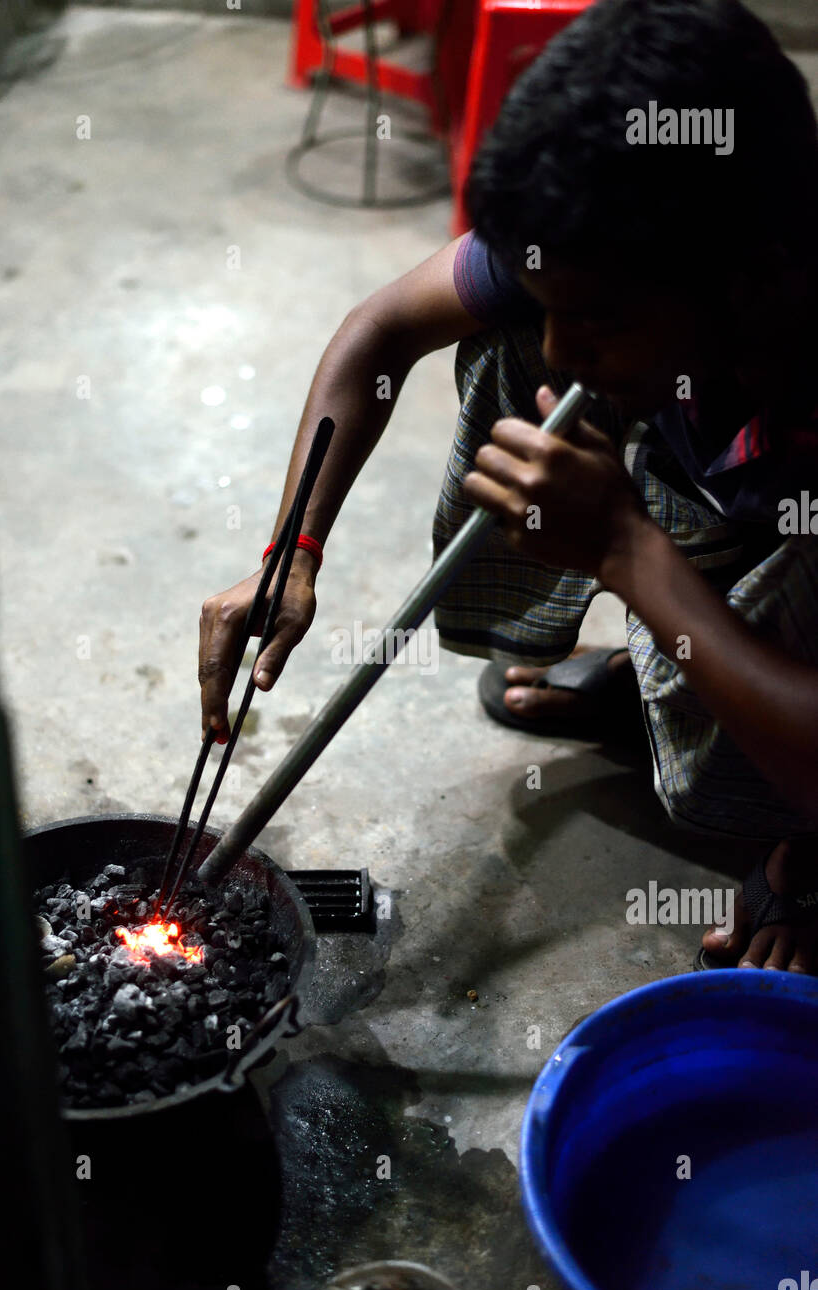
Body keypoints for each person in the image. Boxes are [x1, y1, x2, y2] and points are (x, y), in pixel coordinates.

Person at [199, 0, 818, 973]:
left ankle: (800, 847)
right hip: (723, 451)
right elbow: (380, 331)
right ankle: (662, 680)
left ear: (751, 282)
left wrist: (625, 548)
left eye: (598, 319)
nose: (563, 351)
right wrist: (291, 556)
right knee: (504, 349)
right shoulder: (608, 231)